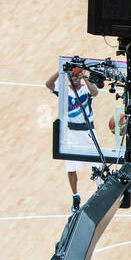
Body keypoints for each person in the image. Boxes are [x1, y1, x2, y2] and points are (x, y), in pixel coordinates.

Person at [46, 64, 101, 212]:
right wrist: (60, 70)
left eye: (78, 75)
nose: (76, 78)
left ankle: (100, 188)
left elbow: (95, 92)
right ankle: (75, 196)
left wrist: (85, 78)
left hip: (88, 131)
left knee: (96, 165)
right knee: (70, 168)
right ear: (69, 77)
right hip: (72, 133)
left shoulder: (85, 89)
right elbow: (48, 84)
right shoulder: (64, 91)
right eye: (73, 75)